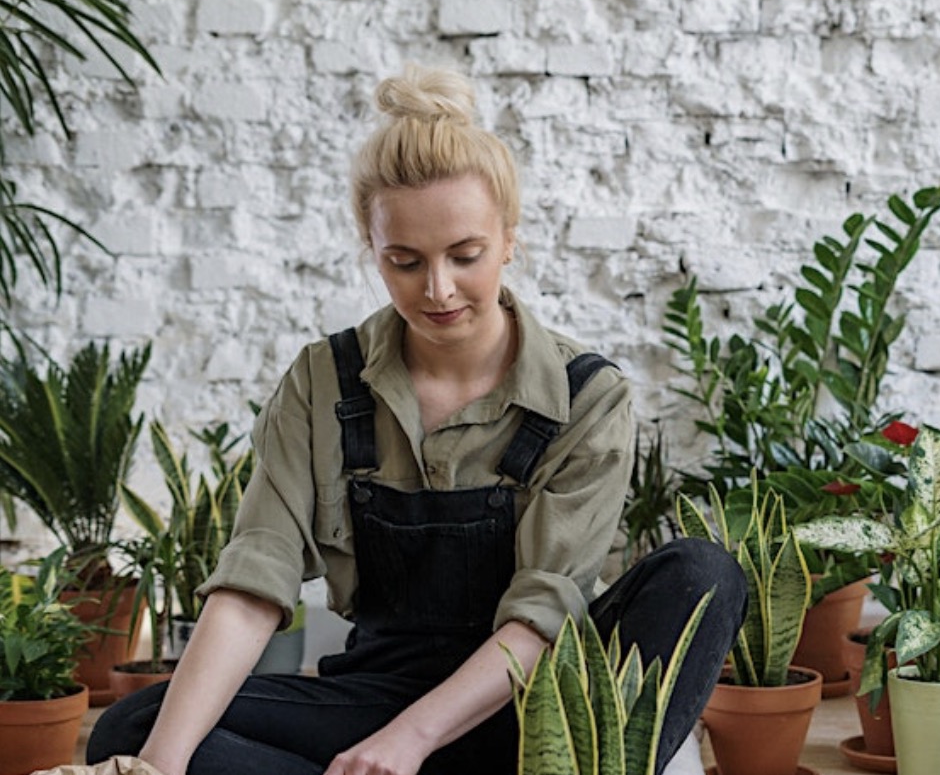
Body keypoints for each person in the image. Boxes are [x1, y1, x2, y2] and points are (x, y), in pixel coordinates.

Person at [88, 64, 745, 775]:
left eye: (466, 256)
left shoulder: (585, 396)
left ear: (509, 239)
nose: (438, 290)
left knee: (704, 573)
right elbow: (253, 585)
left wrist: (411, 742)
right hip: (373, 696)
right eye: (404, 262)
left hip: (537, 710)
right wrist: (155, 769)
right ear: (370, 247)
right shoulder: (321, 382)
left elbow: (540, 617)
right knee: (136, 727)